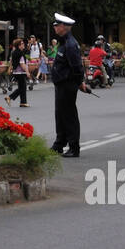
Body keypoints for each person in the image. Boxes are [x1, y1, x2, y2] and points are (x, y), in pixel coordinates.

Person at [51, 14, 89, 157]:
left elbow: (77, 67)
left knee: (68, 115)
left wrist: (79, 83)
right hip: (61, 84)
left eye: (57, 25)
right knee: (60, 115)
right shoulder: (64, 42)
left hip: (68, 85)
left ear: (64, 27)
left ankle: (74, 147)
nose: (54, 27)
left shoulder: (70, 44)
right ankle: (59, 144)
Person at [6, 38, 30, 107]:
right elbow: (22, 64)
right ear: (19, 45)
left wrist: (10, 68)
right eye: (22, 44)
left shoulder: (14, 52)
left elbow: (11, 61)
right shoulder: (20, 53)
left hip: (16, 72)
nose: (23, 44)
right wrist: (27, 72)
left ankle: (23, 102)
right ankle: (10, 97)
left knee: (22, 87)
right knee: (22, 88)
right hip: (20, 73)